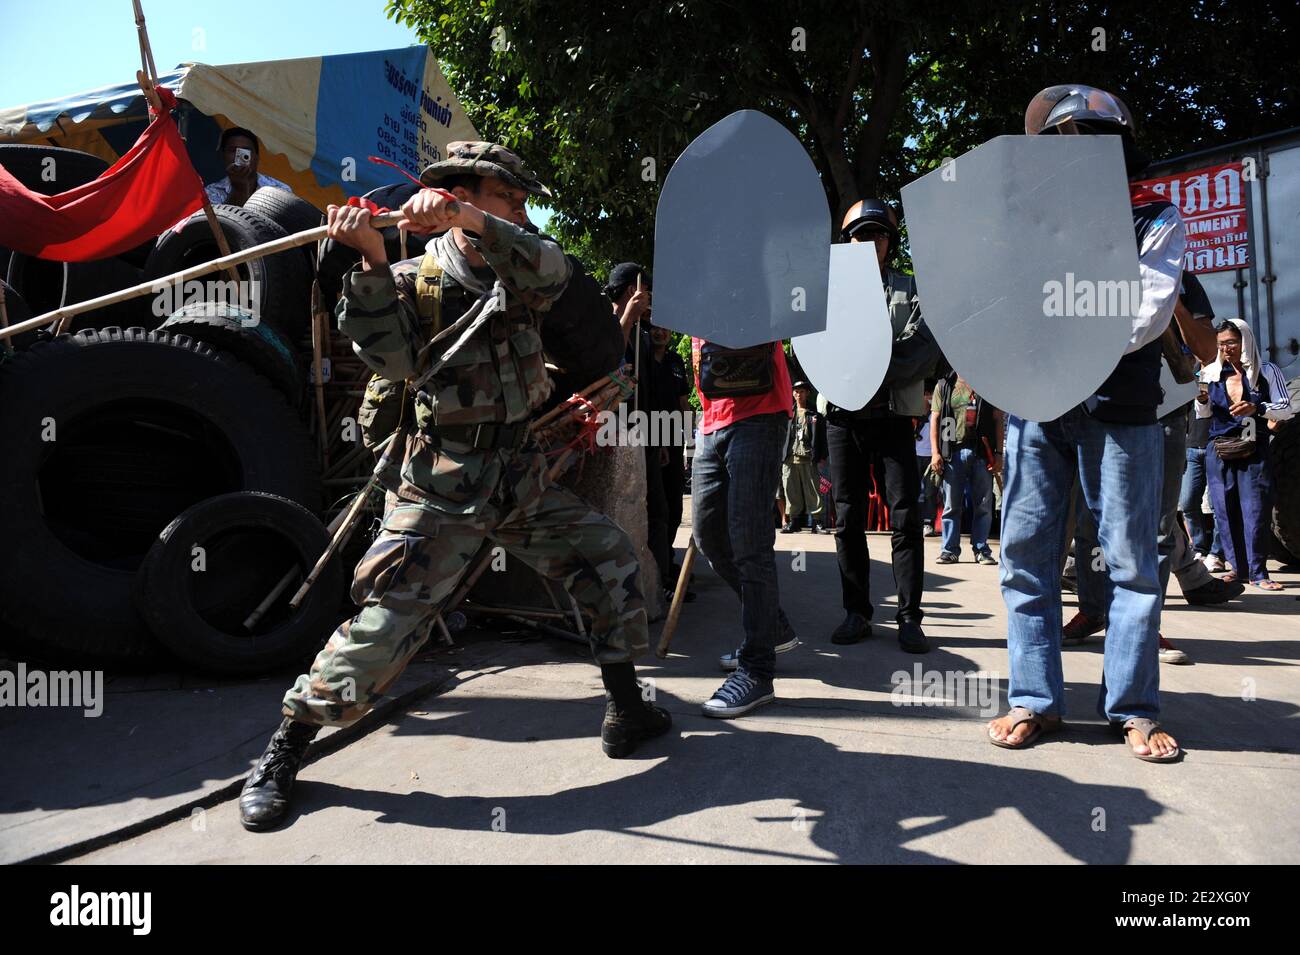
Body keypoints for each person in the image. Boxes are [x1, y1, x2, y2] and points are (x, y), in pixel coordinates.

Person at [237, 142, 670, 832]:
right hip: (441, 487)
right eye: (510, 197)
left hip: (520, 477)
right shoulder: (414, 277)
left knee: (608, 558)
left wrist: (475, 220)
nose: (522, 211)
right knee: (385, 627)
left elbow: (555, 268)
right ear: (459, 189)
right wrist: (371, 260)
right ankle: (284, 750)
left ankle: (627, 708)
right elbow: (393, 358)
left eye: (517, 203)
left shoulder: (522, 265)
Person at [988, 85, 1184, 761]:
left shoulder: (1153, 216)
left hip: (1119, 409)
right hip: (1036, 405)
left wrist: (1063, 332)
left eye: (1089, 141)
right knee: (1025, 556)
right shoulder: (1026, 224)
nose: (1074, 154)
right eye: (1061, 142)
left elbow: (1149, 312)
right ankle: (1034, 700)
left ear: (1117, 149)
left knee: (1130, 563)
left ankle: (1132, 708)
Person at [1061, 273, 1243, 666]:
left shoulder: (1182, 279)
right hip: (1099, 408)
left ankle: (1143, 625)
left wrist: (1173, 301)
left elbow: (1207, 349)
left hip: (1165, 411)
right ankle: (1093, 610)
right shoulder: (1096, 266)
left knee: (1158, 526)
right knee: (1090, 521)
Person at [823, 199, 944, 652]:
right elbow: (817, 353)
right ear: (846, 241)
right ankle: (856, 612)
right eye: (859, 234)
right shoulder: (826, 293)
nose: (868, 242)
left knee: (906, 517)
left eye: (877, 235)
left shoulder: (911, 290)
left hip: (893, 414)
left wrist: (868, 368)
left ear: (889, 244)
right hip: (842, 416)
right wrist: (855, 368)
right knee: (847, 516)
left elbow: (923, 350)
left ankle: (910, 617)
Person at [692, 335, 801, 715]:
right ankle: (773, 626)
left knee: (749, 544)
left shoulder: (757, 274)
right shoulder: (693, 279)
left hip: (760, 412)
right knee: (708, 536)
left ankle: (757, 670)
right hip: (711, 415)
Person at [1199, 318, 1294, 589]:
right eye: (1221, 344)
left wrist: (1258, 408)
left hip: (1254, 445)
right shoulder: (1211, 372)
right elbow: (1203, 414)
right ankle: (1237, 569)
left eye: (1231, 342)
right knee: (1224, 510)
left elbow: (1285, 408)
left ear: (1245, 341)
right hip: (1219, 447)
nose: (1226, 349)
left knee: (1256, 509)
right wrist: (1202, 401)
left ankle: (1258, 572)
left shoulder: (1266, 371)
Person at [929, 372, 1002, 564]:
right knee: (951, 505)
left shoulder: (989, 382)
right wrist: (935, 452)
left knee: (984, 505)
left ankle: (981, 550)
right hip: (953, 451)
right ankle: (949, 550)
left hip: (981, 451)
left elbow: (997, 418)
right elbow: (935, 418)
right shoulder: (945, 384)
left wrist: (999, 453)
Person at [781, 381, 828, 533]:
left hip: (808, 457)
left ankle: (817, 521)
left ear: (807, 393)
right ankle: (793, 521)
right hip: (789, 457)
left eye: (801, 391)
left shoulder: (814, 415)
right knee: (790, 489)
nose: (798, 394)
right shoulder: (787, 414)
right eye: (796, 391)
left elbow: (821, 437)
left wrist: (821, 455)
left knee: (813, 490)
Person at [205, 127, 292, 207]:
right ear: (223, 156)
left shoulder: (280, 189)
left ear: (256, 158)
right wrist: (238, 190)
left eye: (245, 152)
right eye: (232, 150)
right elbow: (218, 223)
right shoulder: (211, 192)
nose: (238, 156)